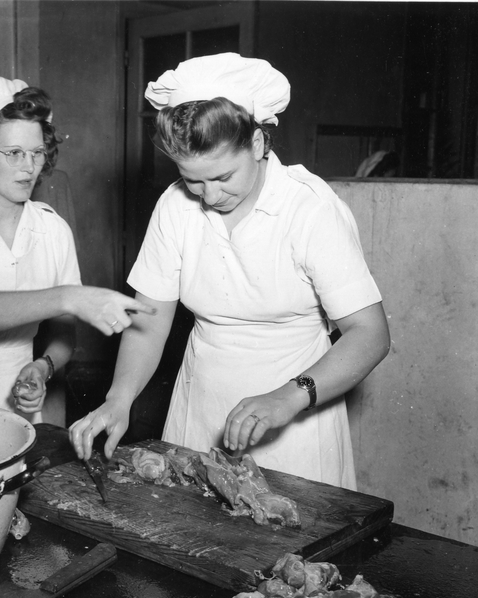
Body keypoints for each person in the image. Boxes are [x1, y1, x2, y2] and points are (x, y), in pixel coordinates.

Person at [69, 54, 390, 489]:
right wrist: (119, 398)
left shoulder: (309, 209)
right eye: (193, 179)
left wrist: (289, 397)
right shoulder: (175, 206)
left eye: (222, 176)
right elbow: (149, 319)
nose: (208, 195)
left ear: (258, 144)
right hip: (199, 408)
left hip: (293, 413)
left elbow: (369, 333)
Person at [0, 77, 152, 422]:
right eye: (14, 153)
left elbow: (64, 333)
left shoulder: (52, 229)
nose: (29, 166)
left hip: (18, 410)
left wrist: (42, 366)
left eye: (37, 153)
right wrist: (70, 297)